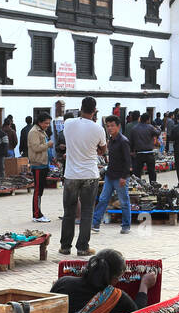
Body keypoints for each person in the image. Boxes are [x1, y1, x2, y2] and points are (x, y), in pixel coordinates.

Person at [59, 96, 107, 257]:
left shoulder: (68, 124)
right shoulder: (98, 129)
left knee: (69, 211)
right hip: (90, 174)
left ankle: (65, 246)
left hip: (71, 174)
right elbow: (103, 150)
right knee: (87, 211)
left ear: (81, 108)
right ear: (94, 111)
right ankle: (82, 247)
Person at [92, 115, 133, 236]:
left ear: (118, 126)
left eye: (112, 126)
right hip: (110, 176)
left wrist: (124, 177)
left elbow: (128, 161)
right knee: (103, 199)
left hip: (120, 176)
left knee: (124, 202)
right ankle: (95, 224)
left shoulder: (123, 141)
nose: (109, 128)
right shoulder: (111, 140)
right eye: (107, 126)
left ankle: (126, 226)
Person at [28, 112, 52, 223]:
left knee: (40, 190)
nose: (47, 125)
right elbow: (36, 148)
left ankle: (38, 213)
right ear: (40, 122)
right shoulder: (34, 132)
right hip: (38, 165)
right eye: (46, 123)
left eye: (48, 123)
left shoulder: (41, 131)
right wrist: (48, 145)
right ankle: (37, 215)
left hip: (43, 164)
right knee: (37, 190)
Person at [130, 112, 158, 183]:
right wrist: (157, 128)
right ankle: (153, 185)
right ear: (148, 120)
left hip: (139, 153)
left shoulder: (134, 129)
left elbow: (131, 142)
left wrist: (132, 151)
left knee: (137, 172)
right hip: (149, 153)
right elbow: (157, 133)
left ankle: (138, 186)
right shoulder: (150, 127)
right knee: (151, 171)